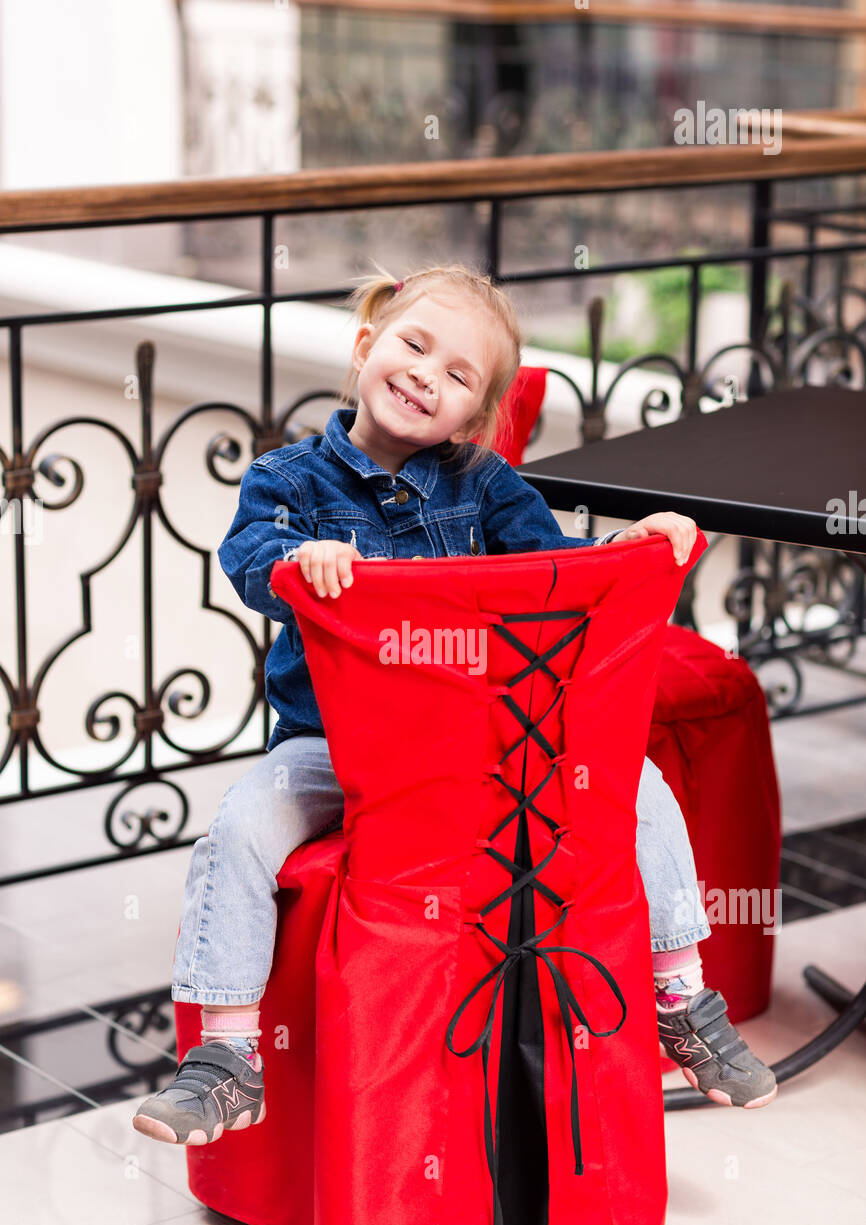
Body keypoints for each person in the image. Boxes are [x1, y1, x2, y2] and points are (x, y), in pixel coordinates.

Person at [133, 262, 777, 1147]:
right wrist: (299, 565)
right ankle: (229, 1060)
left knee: (632, 778)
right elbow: (250, 557)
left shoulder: (483, 484)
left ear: (472, 417)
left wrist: (632, 543)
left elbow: (553, 568)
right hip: (337, 741)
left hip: (485, 740)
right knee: (241, 826)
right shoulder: (289, 480)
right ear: (367, 348)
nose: (425, 374)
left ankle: (678, 993)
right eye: (412, 345)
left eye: (458, 374)